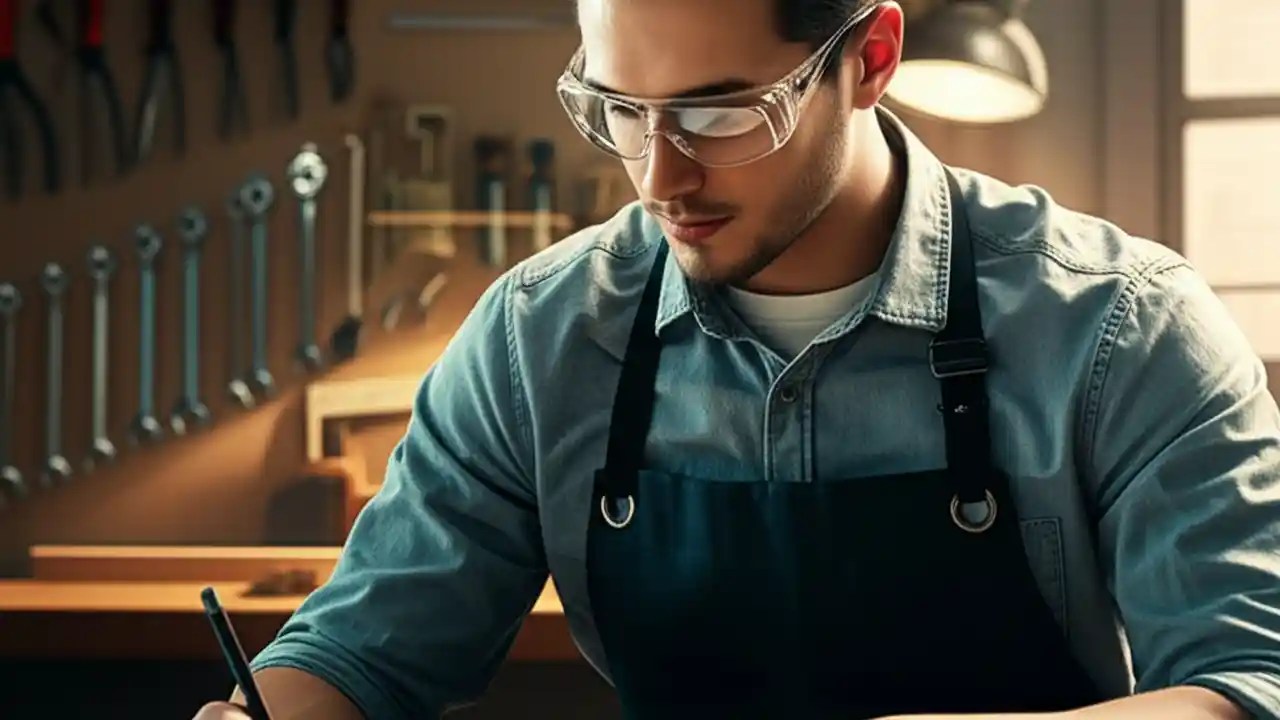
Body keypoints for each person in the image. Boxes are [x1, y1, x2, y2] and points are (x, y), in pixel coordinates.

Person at [195, 0, 1280, 718]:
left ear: (870, 59)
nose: (659, 173)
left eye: (720, 112)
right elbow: (362, 656)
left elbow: (1250, 677)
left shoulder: (1117, 327)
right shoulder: (537, 336)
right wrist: (259, 711)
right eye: (619, 111)